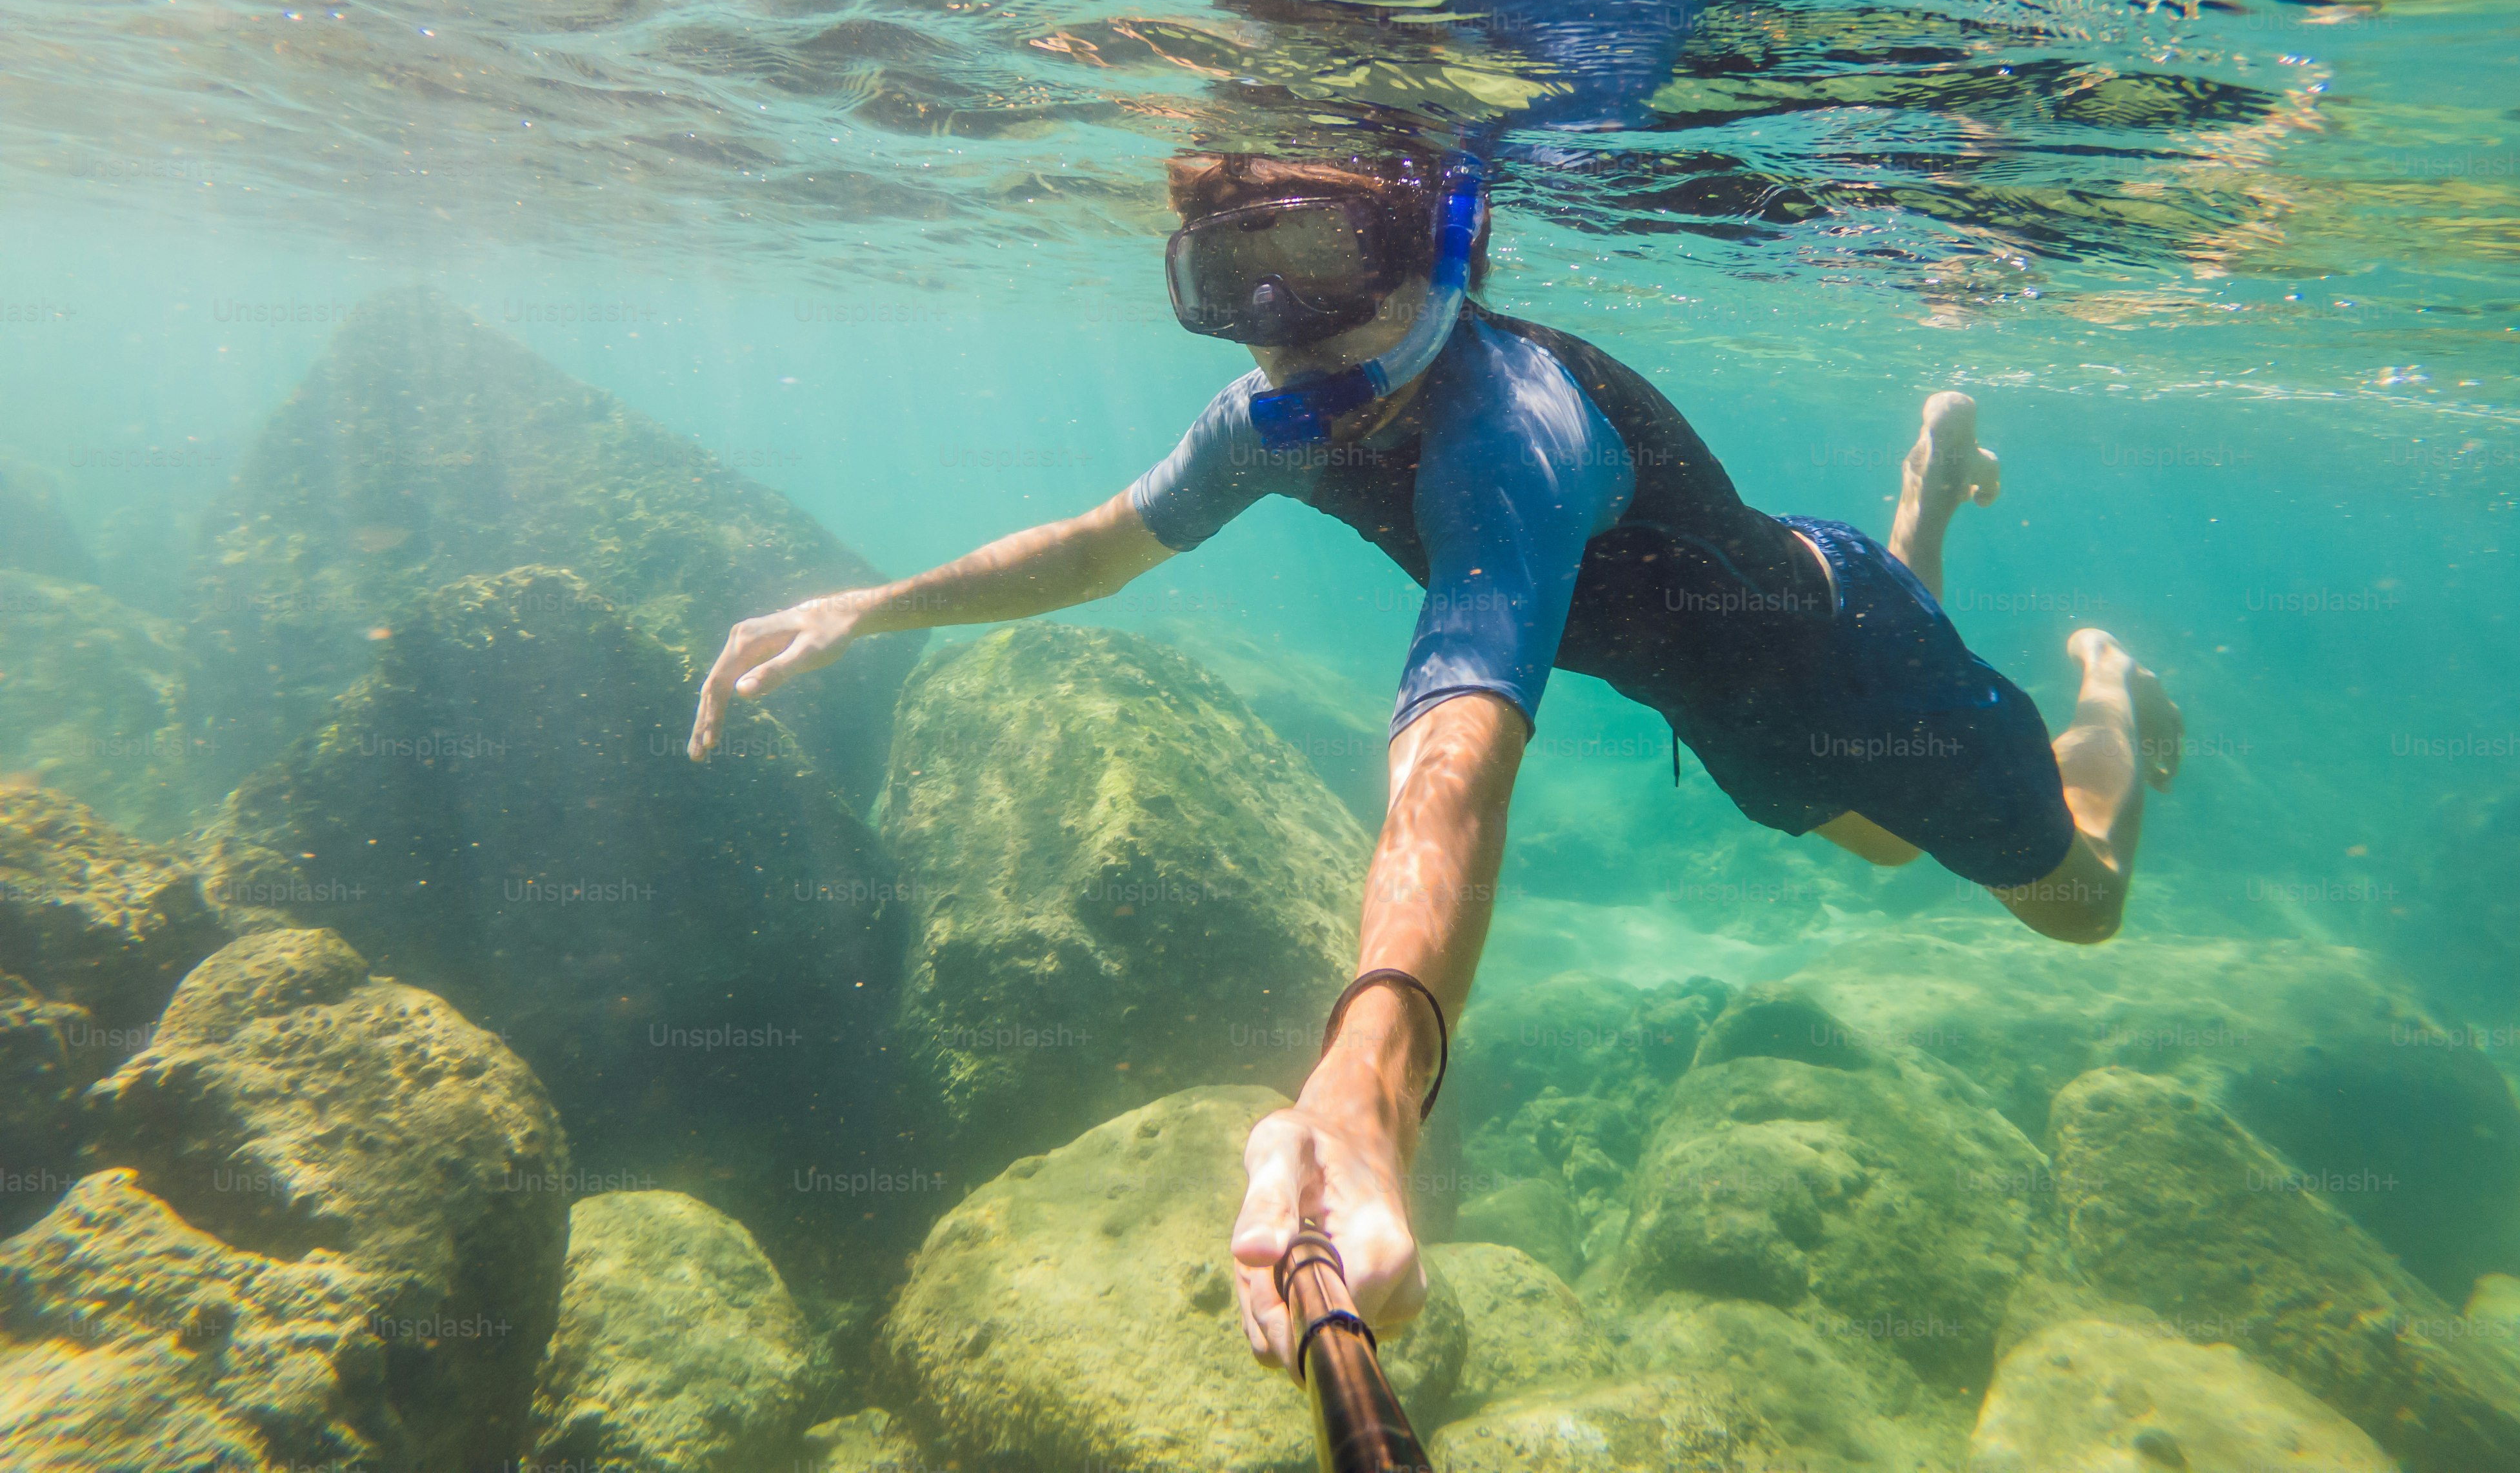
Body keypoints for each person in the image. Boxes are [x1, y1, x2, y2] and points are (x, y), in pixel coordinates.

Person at [683, 148, 2184, 1376]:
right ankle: (1929, 487)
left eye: (1319, 264)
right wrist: (874, 604)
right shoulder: (1272, 426)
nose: (1281, 322)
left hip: (1857, 656)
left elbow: (1448, 779)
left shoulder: (1507, 439)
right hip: (1733, 707)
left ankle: (2110, 694)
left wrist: (1364, 1091)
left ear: (1434, 252)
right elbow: (1095, 548)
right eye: (1230, 282)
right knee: (1880, 845)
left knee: (2078, 897)